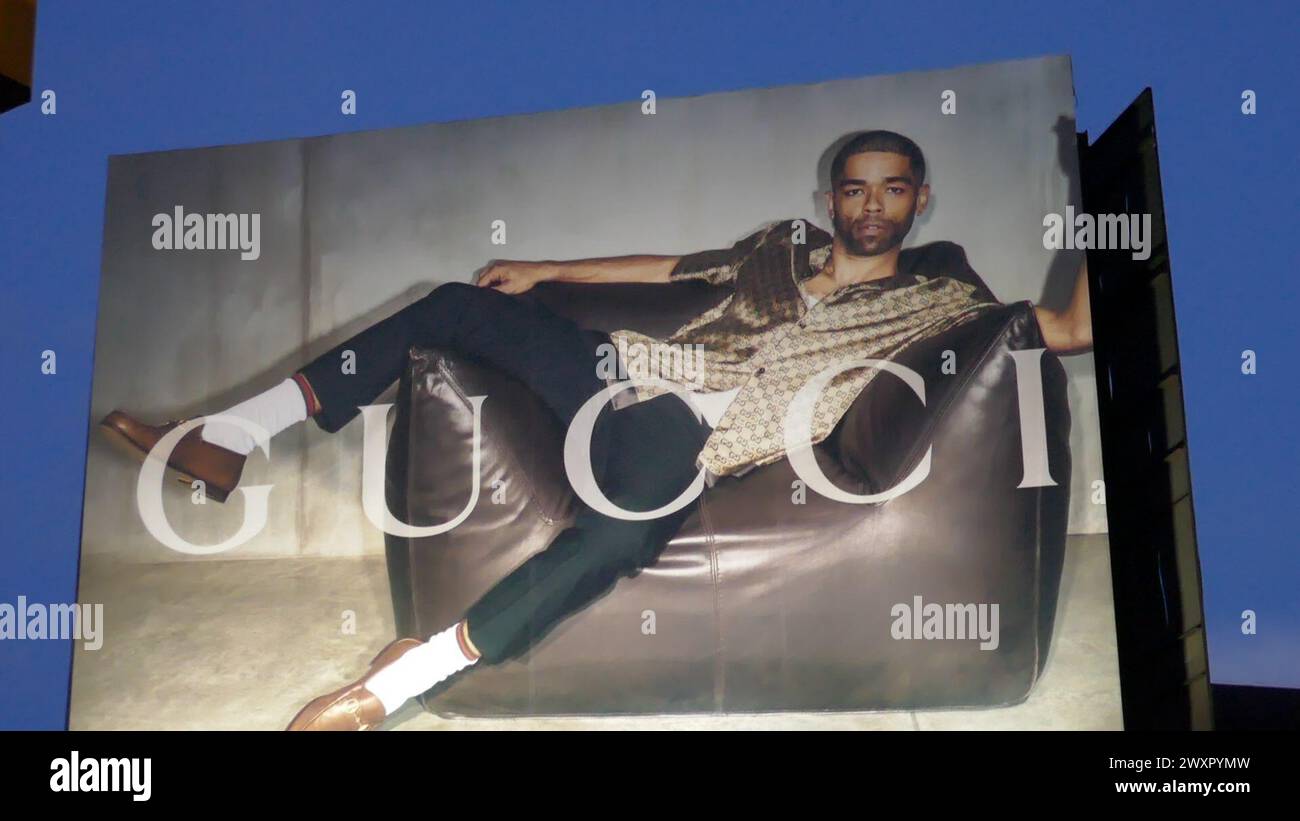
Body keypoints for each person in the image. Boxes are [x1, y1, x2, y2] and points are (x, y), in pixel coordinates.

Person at [99, 130, 1092, 730]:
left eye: (892, 186)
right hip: (616, 370)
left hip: (695, 430)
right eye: (854, 185)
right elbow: (670, 268)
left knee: (625, 528)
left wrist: (1101, 176)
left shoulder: (944, 291)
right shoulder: (779, 249)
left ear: (919, 199)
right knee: (453, 298)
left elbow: (1074, 328)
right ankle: (234, 434)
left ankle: (402, 678)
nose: (870, 203)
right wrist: (543, 269)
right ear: (830, 197)